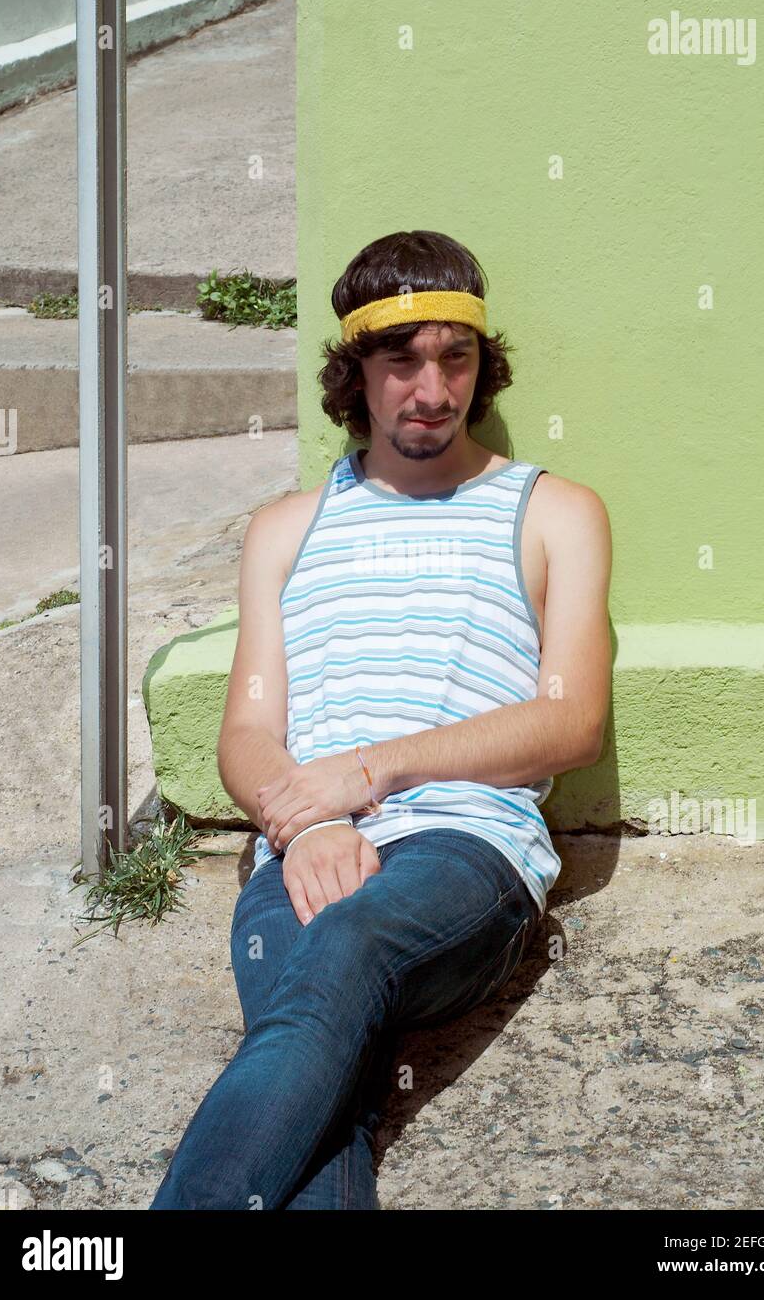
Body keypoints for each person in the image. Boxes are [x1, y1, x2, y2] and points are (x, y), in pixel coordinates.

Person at [150, 229, 612, 1210]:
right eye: (401, 360)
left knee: (344, 955)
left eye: (456, 357)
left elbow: (571, 724)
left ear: (485, 367)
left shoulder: (552, 512)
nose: (432, 388)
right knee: (330, 1080)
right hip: (303, 844)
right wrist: (311, 820)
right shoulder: (286, 526)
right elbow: (247, 732)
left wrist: (362, 777)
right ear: (354, 371)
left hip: (465, 845)